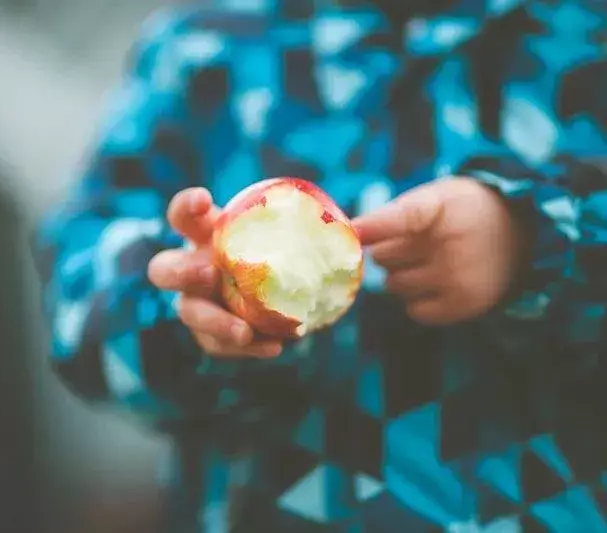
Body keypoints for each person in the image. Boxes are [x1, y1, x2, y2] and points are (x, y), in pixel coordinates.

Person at [34, 0, 607, 531]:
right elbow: (77, 289)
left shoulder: (582, 41)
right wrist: (182, 307)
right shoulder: (210, 48)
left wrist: (534, 243)